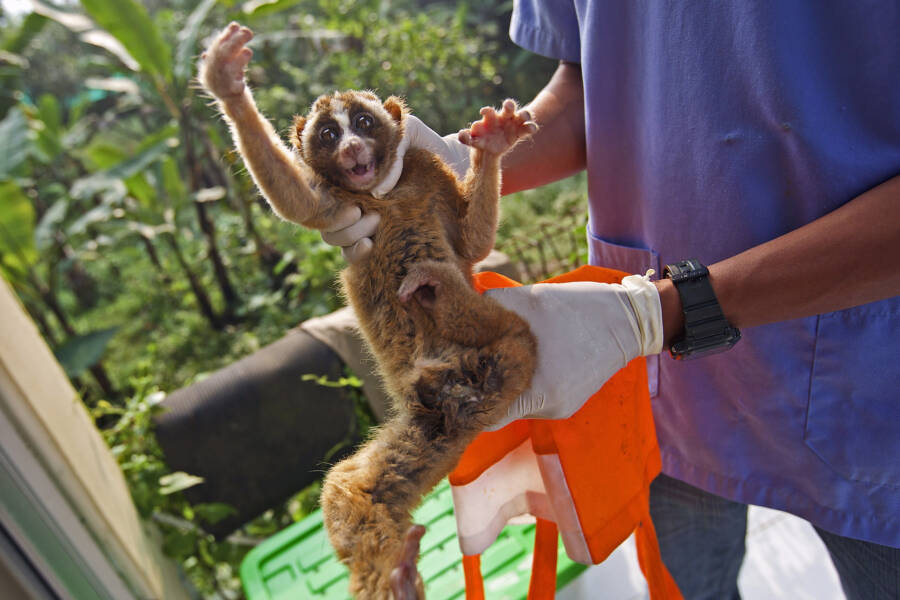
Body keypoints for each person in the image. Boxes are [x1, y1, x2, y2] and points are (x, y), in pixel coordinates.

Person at [324, 2, 900, 598]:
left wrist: (656, 314)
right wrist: (447, 168)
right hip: (664, 399)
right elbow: (596, 84)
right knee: (690, 583)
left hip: (864, 386)